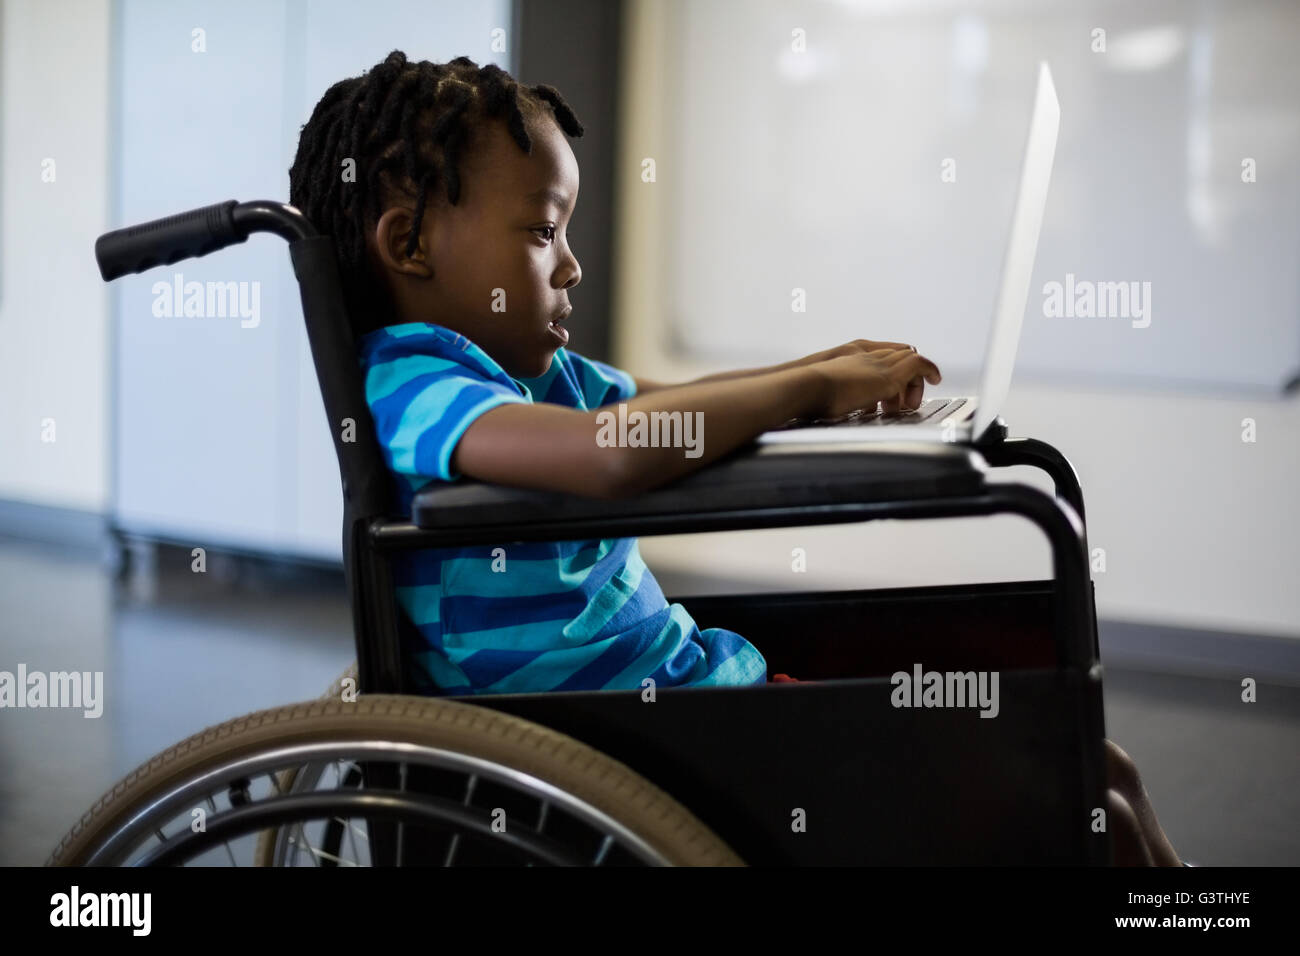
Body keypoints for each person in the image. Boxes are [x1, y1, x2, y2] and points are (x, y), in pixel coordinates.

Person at [289, 51, 1185, 865]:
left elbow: (661, 411)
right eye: (541, 233)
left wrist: (826, 370)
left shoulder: (534, 377)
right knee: (1075, 798)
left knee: (1099, 771)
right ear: (408, 244)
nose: (571, 268)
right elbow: (617, 453)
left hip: (689, 706)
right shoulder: (409, 383)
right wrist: (808, 390)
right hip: (634, 754)